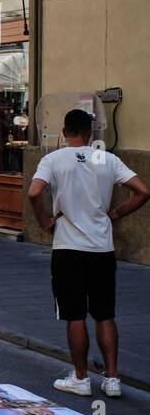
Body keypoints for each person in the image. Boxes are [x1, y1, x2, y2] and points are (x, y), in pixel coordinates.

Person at [29, 109, 149, 398]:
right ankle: (112, 379)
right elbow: (143, 191)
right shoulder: (106, 159)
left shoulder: (54, 159)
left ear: (64, 131)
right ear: (90, 133)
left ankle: (81, 378)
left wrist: (45, 221)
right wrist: (117, 213)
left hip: (68, 248)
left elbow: (34, 193)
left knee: (75, 315)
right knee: (105, 314)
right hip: (101, 247)